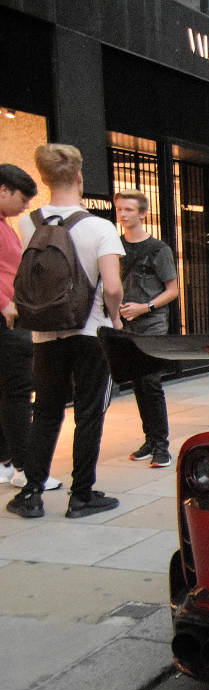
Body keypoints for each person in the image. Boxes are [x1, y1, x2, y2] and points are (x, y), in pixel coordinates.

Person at [8, 144, 124, 519]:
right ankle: (82, 495)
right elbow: (112, 286)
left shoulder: (28, 224)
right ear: (79, 177)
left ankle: (31, 493)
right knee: (89, 413)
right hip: (91, 334)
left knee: (45, 412)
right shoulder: (100, 227)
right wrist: (116, 318)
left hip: (46, 334)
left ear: (43, 179)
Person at [0, 164, 61, 491]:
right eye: (22, 198)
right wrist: (3, 301)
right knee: (18, 392)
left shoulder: (5, 224)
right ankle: (24, 467)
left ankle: (6, 461)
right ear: (4, 190)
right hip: (7, 320)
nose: (26, 206)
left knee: (9, 391)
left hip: (11, 317)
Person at [115, 190, 179, 468]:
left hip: (151, 323)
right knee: (138, 383)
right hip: (125, 325)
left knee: (151, 383)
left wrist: (146, 307)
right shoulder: (115, 247)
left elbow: (173, 290)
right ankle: (149, 440)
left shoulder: (158, 249)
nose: (123, 214)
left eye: (129, 209)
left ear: (142, 213)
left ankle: (161, 445)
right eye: (119, 209)